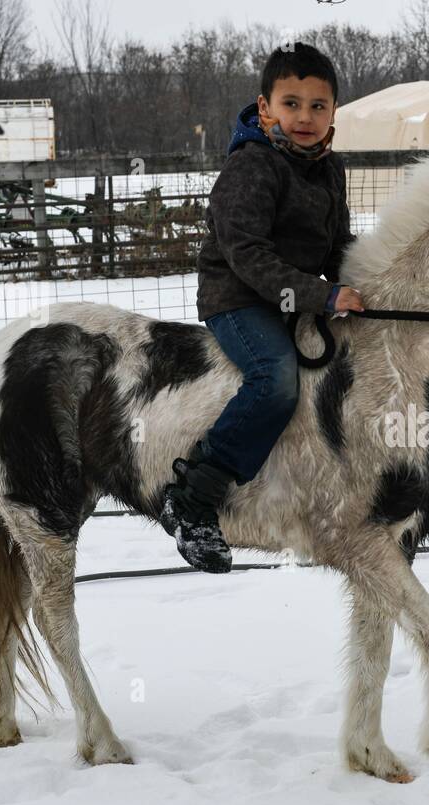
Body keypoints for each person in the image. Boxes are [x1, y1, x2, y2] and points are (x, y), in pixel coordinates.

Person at [159, 41, 363, 573]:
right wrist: (322, 296)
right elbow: (246, 255)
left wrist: (362, 286)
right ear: (265, 106)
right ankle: (195, 494)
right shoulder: (252, 166)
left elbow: (340, 244)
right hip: (239, 298)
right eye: (291, 103)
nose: (305, 117)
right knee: (276, 379)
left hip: (294, 300)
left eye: (318, 106)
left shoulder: (329, 169)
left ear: (334, 112)